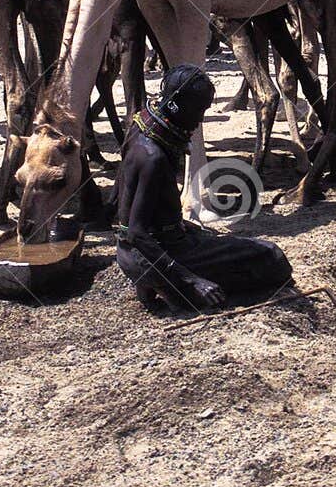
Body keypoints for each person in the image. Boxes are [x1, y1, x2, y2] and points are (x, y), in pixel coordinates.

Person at [113, 64, 292, 312]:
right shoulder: (153, 158)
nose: (200, 119)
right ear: (176, 105)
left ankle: (158, 283)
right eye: (197, 110)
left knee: (222, 242)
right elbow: (137, 234)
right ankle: (177, 289)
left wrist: (180, 226)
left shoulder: (139, 126)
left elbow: (127, 206)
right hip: (150, 255)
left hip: (136, 250)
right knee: (273, 258)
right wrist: (192, 279)